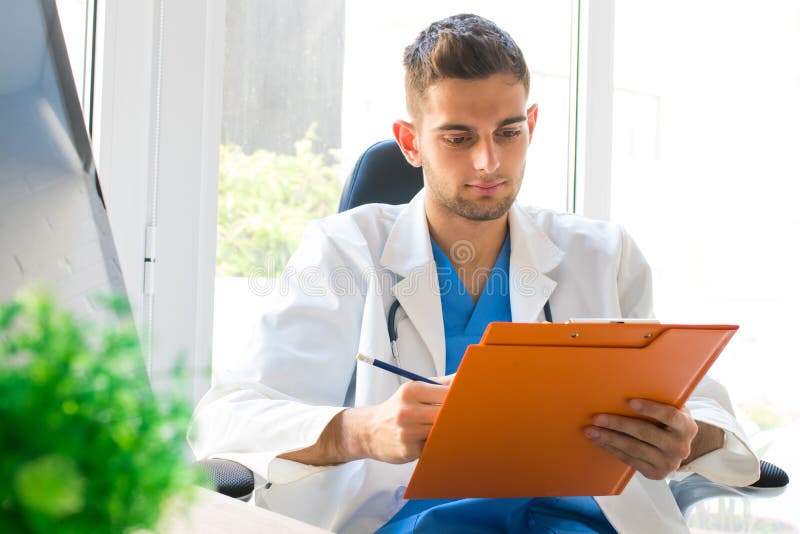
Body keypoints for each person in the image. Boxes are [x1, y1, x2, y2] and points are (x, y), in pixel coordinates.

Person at [190, 14, 759, 533]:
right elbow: (226, 419)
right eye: (459, 138)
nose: (488, 163)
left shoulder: (602, 254)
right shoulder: (344, 251)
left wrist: (685, 439)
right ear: (411, 142)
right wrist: (360, 430)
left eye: (508, 133)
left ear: (531, 124)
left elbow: (702, 407)